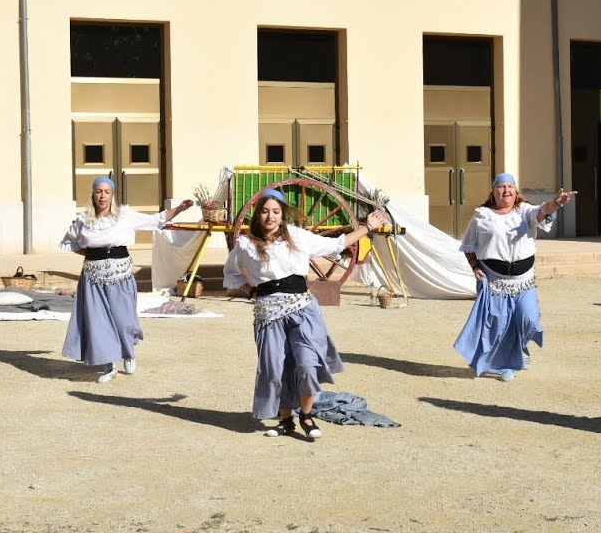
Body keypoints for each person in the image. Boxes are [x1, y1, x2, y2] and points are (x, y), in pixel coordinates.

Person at [223, 189, 386, 439]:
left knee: (307, 364)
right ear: (257, 215)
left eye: (276, 211)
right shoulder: (245, 245)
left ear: (282, 213)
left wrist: (367, 227)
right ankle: (285, 420)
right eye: (265, 211)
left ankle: (306, 416)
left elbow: (336, 244)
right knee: (275, 368)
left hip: (303, 310)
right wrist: (250, 289)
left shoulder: (297, 236)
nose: (271, 217)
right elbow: (231, 275)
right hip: (268, 315)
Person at [60, 176, 193, 383]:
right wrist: (91, 255)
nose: (102, 196)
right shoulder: (83, 220)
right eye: (98, 192)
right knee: (99, 322)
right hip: (93, 277)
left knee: (123, 319)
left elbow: (155, 220)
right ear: (93, 195)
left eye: (106, 192)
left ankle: (128, 352)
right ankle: (109, 363)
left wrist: (179, 209)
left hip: (120, 274)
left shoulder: (124, 216)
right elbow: (70, 242)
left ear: (112, 195)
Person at [453, 174, 575, 381]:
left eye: (510, 186)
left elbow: (543, 211)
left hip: (523, 281)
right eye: (501, 187)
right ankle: (506, 364)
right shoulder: (482, 216)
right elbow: (468, 246)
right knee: (499, 324)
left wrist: (555, 203)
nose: (506, 190)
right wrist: (474, 266)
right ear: (493, 192)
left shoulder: (524, 211)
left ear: (516, 191)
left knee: (529, 318)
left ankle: (520, 348)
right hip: (494, 280)